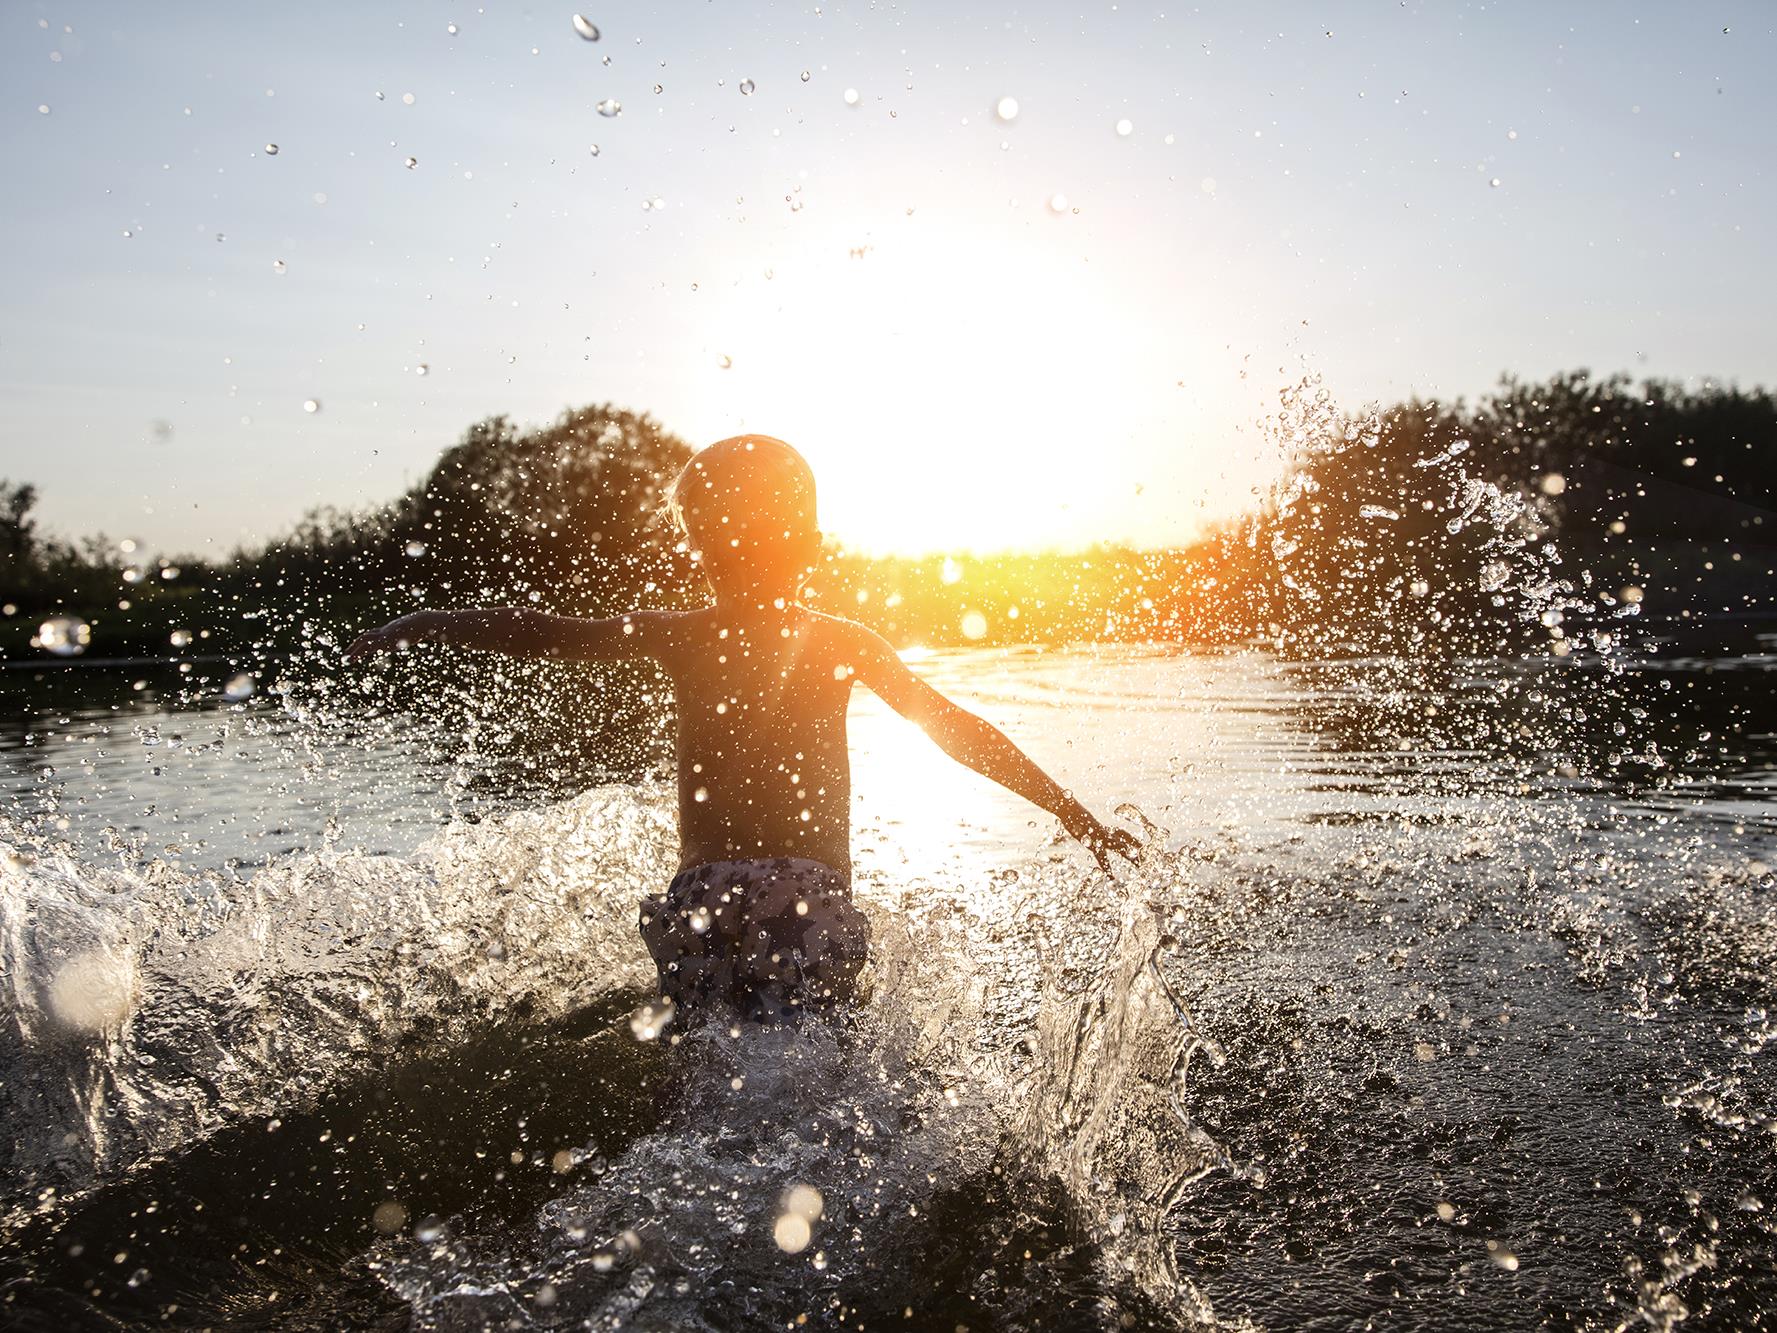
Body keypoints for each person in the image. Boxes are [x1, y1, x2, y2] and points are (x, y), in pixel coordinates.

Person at [347, 435, 1139, 1021]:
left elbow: (546, 631)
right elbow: (957, 730)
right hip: (805, 897)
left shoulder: (679, 633)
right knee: (819, 1068)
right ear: (813, 546)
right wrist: (1072, 813)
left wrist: (429, 621)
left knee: (702, 1065)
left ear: (696, 548)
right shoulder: (840, 640)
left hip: (700, 898)